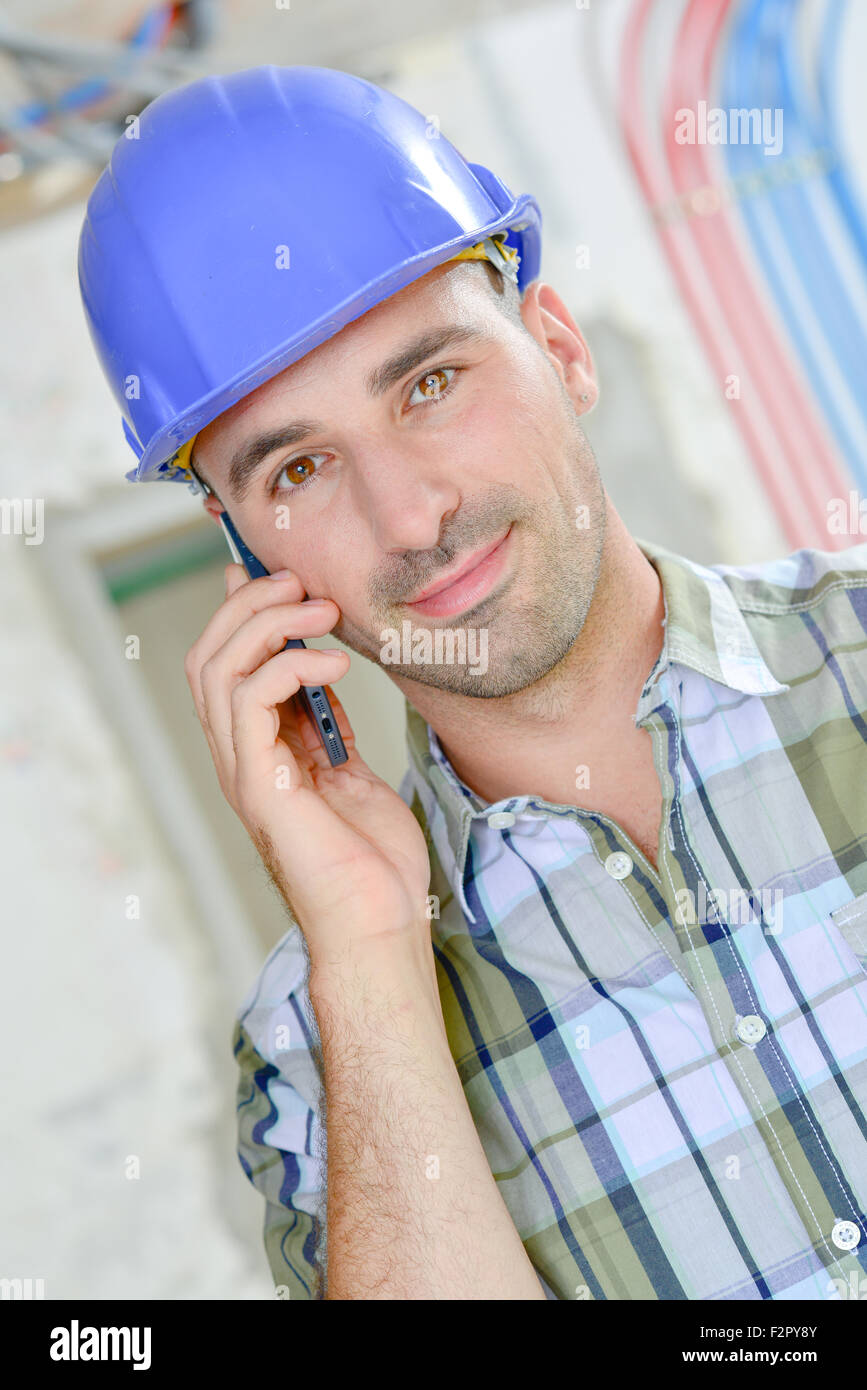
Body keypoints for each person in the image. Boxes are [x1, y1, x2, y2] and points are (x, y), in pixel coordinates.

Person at [79, 65, 867, 1302]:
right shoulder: (317, 1055)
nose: (411, 513)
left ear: (558, 348)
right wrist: (370, 947)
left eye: (430, 385)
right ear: (249, 562)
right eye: (298, 470)